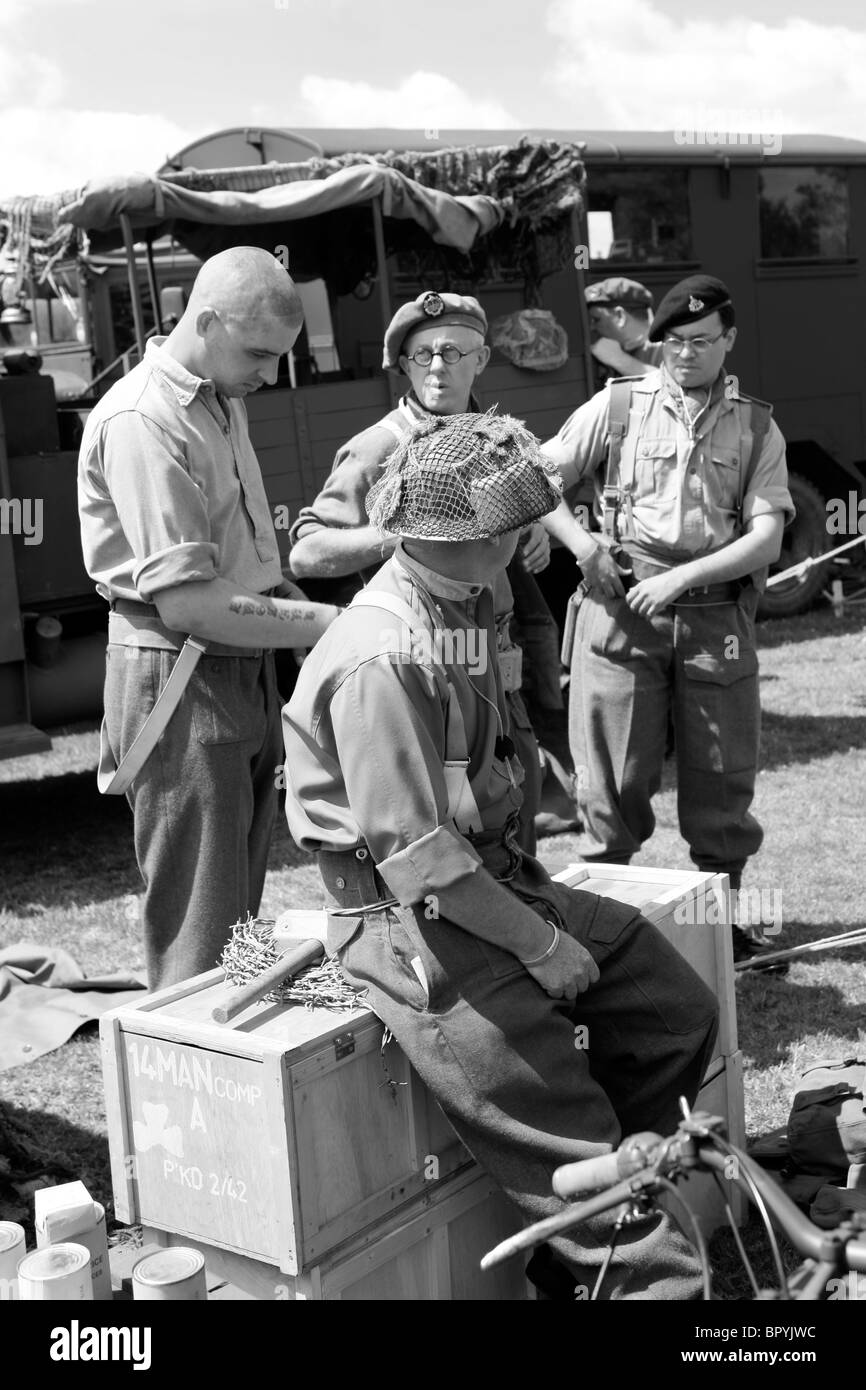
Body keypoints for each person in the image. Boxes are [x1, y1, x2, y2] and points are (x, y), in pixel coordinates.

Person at [282, 410, 719, 1300]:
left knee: (674, 1011)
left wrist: (537, 908)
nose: (533, 540)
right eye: (518, 525)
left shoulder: (467, 601)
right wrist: (541, 944)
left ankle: (578, 1224)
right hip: (412, 924)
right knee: (578, 1142)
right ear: (470, 539)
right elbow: (418, 861)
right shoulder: (384, 655)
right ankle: (631, 1256)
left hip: (495, 881)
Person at [77, 247, 341, 990]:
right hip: (181, 670)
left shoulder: (221, 399)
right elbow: (188, 600)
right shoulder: (144, 418)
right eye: (259, 352)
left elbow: (240, 560)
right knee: (202, 931)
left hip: (233, 661)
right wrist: (335, 625)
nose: (268, 373)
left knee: (236, 923)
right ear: (207, 320)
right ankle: (194, 1088)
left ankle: (233, 1080)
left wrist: (285, 596)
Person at [542, 275, 795, 964]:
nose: (685, 354)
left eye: (701, 342)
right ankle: (604, 927)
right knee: (612, 782)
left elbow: (766, 537)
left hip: (714, 621)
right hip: (621, 615)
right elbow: (537, 480)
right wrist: (584, 546)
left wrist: (685, 576)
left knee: (721, 784)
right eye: (673, 342)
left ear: (730, 341)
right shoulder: (618, 405)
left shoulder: (757, 425)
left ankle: (724, 931)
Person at [288, 289, 575, 851]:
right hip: (429, 671)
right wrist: (413, 525)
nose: (437, 367)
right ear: (403, 364)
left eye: (452, 352)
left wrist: (529, 528)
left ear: (482, 360)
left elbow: (511, 514)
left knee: (517, 808)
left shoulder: (489, 437)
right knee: (455, 828)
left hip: (498, 662)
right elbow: (304, 552)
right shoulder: (380, 447)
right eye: (422, 355)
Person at [585, 276, 664, 382]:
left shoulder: (668, 348)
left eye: (596, 319)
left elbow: (675, 388)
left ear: (620, 316)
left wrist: (619, 360)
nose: (592, 327)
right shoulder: (615, 351)